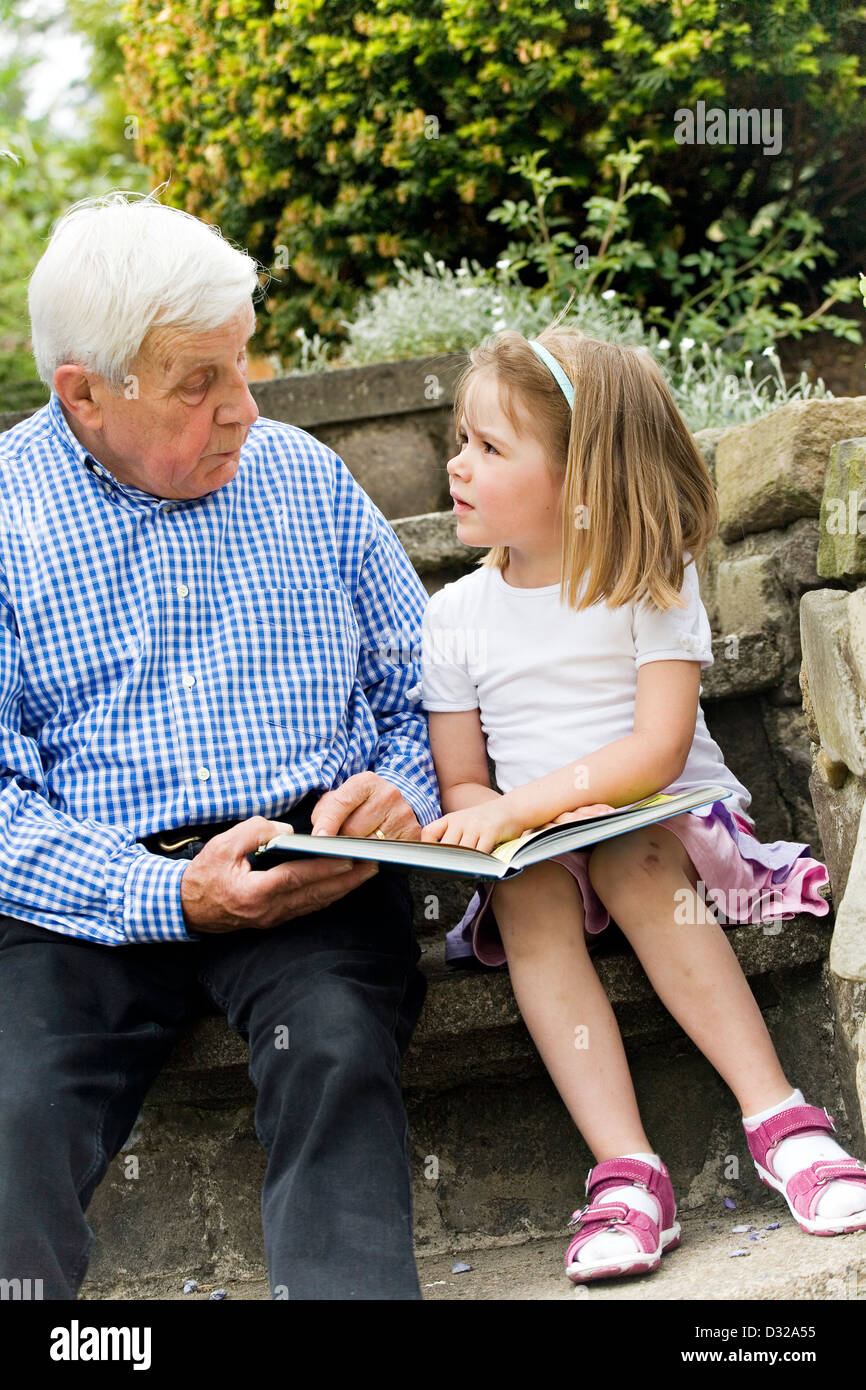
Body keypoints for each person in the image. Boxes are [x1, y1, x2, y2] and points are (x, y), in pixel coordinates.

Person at [0, 190, 440, 1300]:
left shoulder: (303, 476)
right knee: (11, 1111)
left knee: (334, 1046)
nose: (244, 407)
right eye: (201, 382)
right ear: (85, 394)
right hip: (83, 891)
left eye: (241, 363)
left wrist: (399, 790)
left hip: (314, 862)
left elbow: (422, 687)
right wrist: (168, 896)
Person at [419, 326, 866, 1284]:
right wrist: (481, 820)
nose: (457, 465)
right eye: (460, 440)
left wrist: (521, 805)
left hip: (670, 830)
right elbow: (463, 777)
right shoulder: (453, 614)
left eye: (490, 448)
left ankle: (779, 1117)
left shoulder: (645, 577)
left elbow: (656, 751)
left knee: (629, 856)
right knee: (527, 890)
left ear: (580, 478)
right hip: (542, 850)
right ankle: (626, 1171)